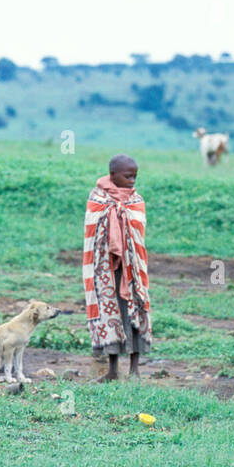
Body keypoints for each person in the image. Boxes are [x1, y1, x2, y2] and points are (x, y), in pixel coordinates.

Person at [82, 155, 152, 382]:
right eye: (127, 176)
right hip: (105, 268)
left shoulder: (135, 200)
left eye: (135, 176)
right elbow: (92, 229)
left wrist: (120, 215)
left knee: (134, 313)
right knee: (109, 314)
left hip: (131, 270)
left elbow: (138, 228)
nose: (132, 180)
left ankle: (135, 371)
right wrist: (113, 213)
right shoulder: (98, 198)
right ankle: (112, 370)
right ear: (112, 176)